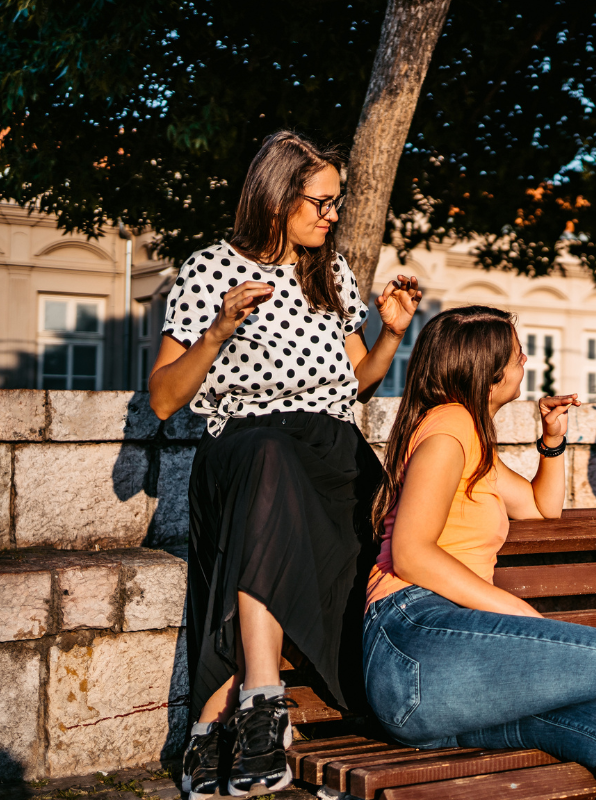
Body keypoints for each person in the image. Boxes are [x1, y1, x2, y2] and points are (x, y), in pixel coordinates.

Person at [362, 306, 596, 800]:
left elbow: (541, 509)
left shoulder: (471, 442)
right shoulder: (449, 427)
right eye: (517, 356)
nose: (525, 363)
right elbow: (411, 553)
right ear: (487, 370)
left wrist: (552, 443)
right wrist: (519, 613)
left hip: (443, 682)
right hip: (416, 645)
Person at [150, 131, 423, 798]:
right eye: (322, 203)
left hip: (329, 455)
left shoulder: (331, 273)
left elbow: (353, 381)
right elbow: (163, 399)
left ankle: (221, 714)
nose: (332, 216)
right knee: (268, 463)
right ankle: (264, 702)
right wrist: (217, 331)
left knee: (324, 488)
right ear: (276, 198)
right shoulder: (209, 269)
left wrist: (390, 331)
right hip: (246, 449)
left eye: (337, 203)